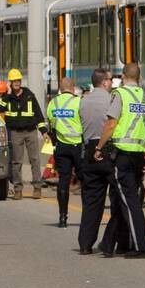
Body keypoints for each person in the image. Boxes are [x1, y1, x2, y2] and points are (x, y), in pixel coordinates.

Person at [91, 62, 145, 259]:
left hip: (123, 153)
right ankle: (110, 243)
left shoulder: (120, 94)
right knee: (125, 199)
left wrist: (99, 147)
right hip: (139, 154)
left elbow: (111, 123)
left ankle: (142, 246)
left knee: (129, 201)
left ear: (122, 76)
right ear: (139, 77)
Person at [76, 69, 115, 255]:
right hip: (108, 149)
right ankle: (115, 242)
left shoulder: (83, 101)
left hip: (89, 151)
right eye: (110, 79)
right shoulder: (112, 100)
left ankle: (85, 244)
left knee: (92, 201)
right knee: (118, 199)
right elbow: (112, 125)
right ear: (105, 82)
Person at [0, 68, 48, 200]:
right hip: (15, 133)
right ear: (10, 83)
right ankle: (18, 189)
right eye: (14, 81)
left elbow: (38, 115)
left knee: (35, 160)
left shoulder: (29, 95)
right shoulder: (8, 98)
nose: (17, 83)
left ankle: (37, 188)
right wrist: (6, 94)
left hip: (31, 131)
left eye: (18, 80)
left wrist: (44, 132)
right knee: (16, 162)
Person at [46, 76, 84, 227]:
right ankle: (88, 215)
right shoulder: (79, 102)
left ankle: (63, 217)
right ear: (73, 88)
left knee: (63, 181)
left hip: (61, 146)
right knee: (85, 181)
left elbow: (50, 122)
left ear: (60, 89)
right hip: (78, 146)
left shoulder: (53, 103)